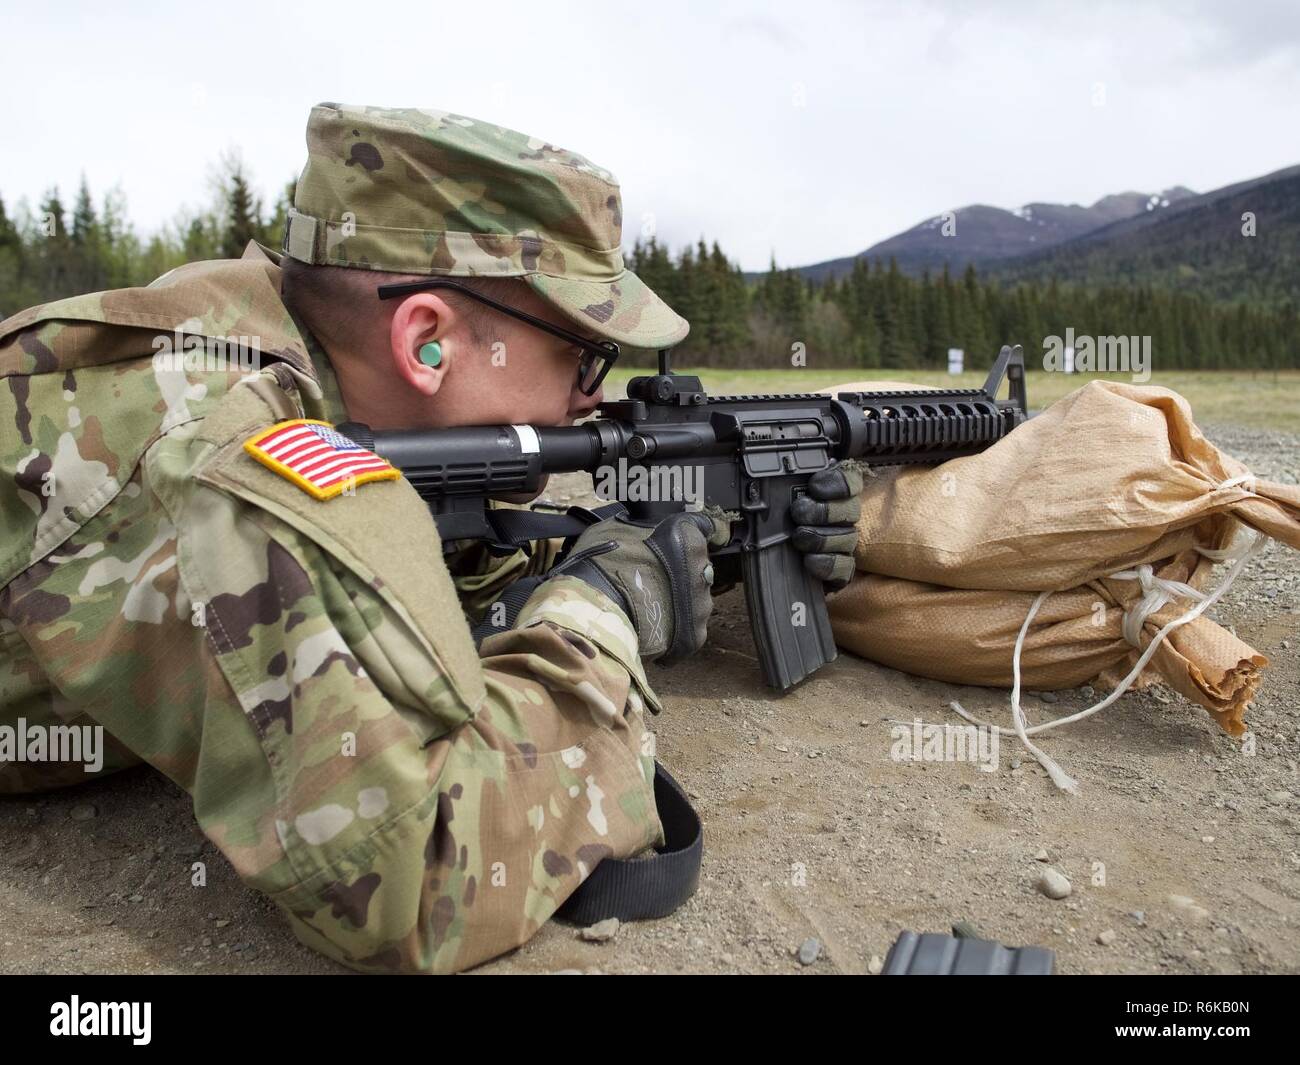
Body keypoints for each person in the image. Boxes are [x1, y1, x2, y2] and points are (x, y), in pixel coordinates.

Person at [0, 103, 860, 973]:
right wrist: (606, 611)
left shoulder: (294, 354)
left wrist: (718, 542)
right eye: (587, 355)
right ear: (429, 342)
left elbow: (400, 564)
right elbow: (404, 879)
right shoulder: (219, 453)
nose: (594, 397)